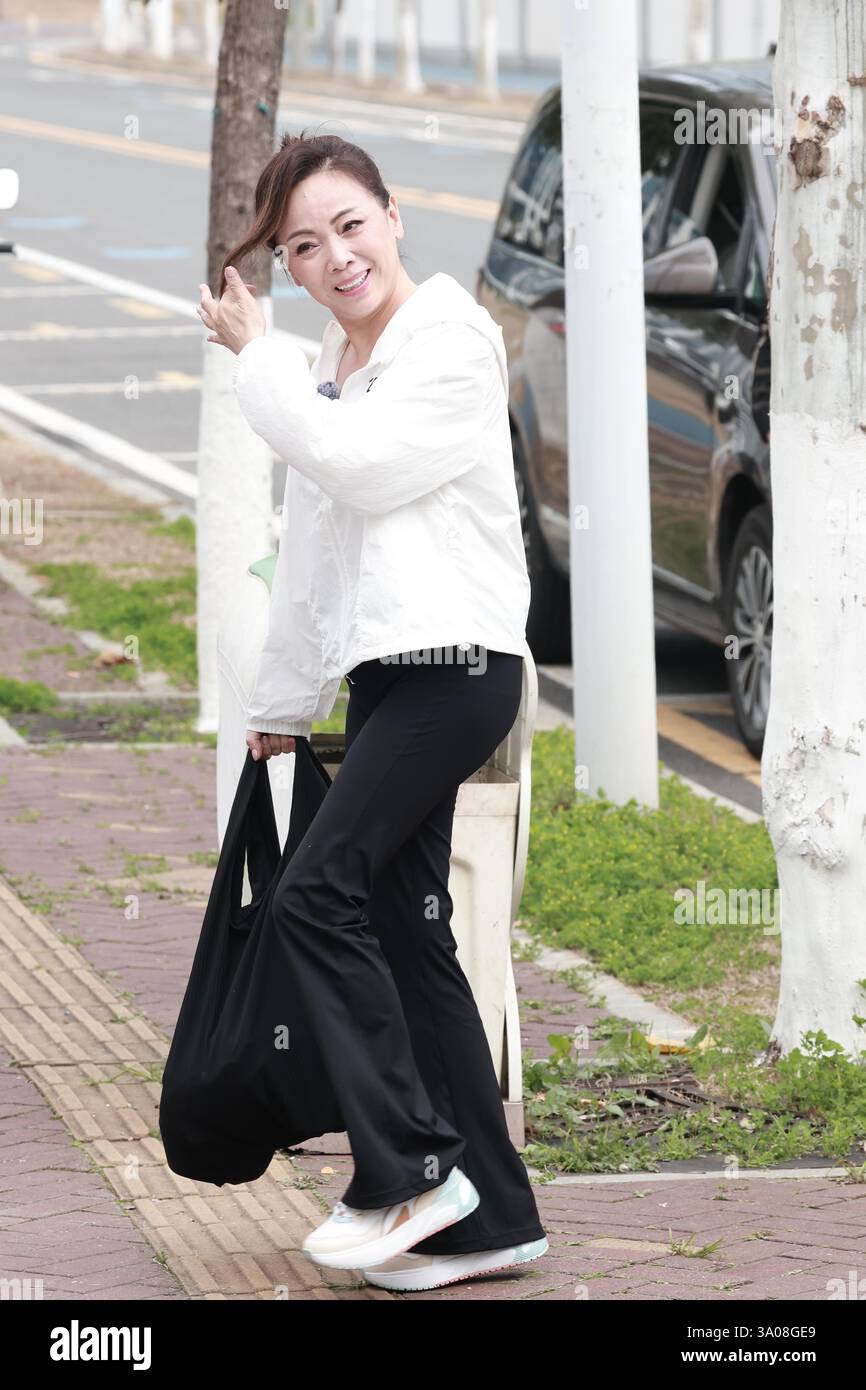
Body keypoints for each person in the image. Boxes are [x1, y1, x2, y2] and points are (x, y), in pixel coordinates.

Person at [197, 130, 548, 1293]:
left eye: (350, 225)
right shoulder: (340, 377)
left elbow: (357, 468)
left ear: (393, 218)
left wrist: (260, 368)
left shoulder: (448, 342)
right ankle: (493, 1215)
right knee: (407, 934)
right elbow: (315, 555)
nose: (336, 254)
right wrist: (283, 704)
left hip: (458, 672)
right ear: (291, 266)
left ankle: (406, 1172)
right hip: (393, 677)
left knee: (313, 897)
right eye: (305, 244)